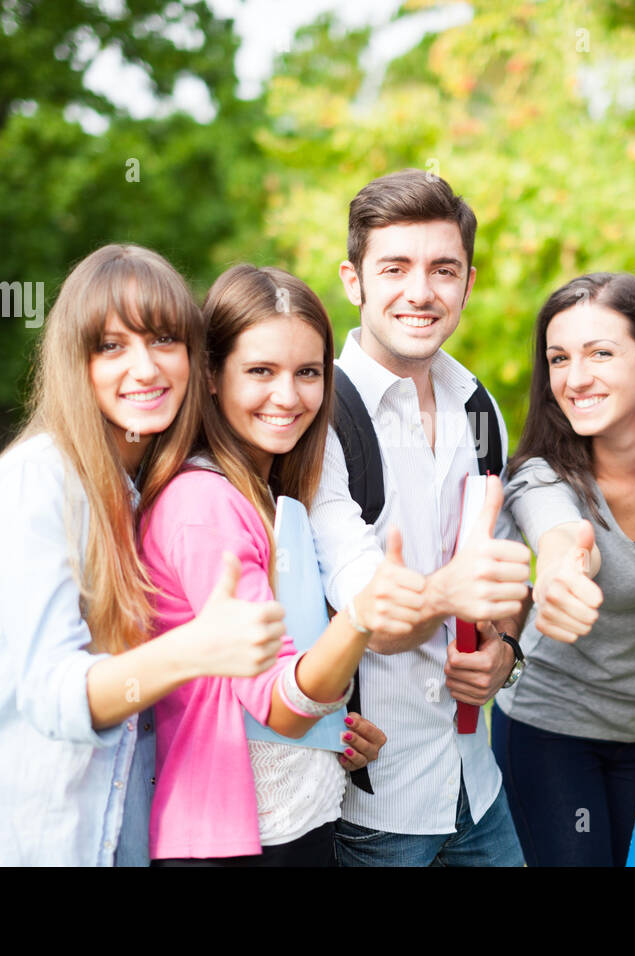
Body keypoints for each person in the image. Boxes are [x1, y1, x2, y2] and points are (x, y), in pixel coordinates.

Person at [0, 244, 288, 866]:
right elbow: (56, 696)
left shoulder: (153, 496)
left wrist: (322, 727)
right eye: (111, 345)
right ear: (74, 361)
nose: (145, 368)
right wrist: (194, 649)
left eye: (164, 339)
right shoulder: (39, 483)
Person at [309, 169, 533, 867]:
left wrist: (506, 649)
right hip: (374, 809)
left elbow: (504, 580)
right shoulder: (318, 420)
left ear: (468, 282)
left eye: (443, 269)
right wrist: (446, 593)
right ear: (355, 281)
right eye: (395, 268)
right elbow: (368, 618)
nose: (421, 291)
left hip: (477, 785)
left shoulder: (478, 405)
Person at [139, 265, 393, 867]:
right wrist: (361, 617)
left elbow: (289, 690)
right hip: (237, 838)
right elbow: (281, 704)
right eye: (260, 371)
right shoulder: (204, 504)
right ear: (210, 376)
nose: (289, 396)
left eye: (307, 372)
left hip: (292, 825)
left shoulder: (265, 492)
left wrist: (338, 724)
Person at [492, 273, 635, 866]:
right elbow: (560, 540)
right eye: (559, 359)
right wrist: (559, 574)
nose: (575, 379)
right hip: (550, 729)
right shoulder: (541, 476)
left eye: (600, 353)